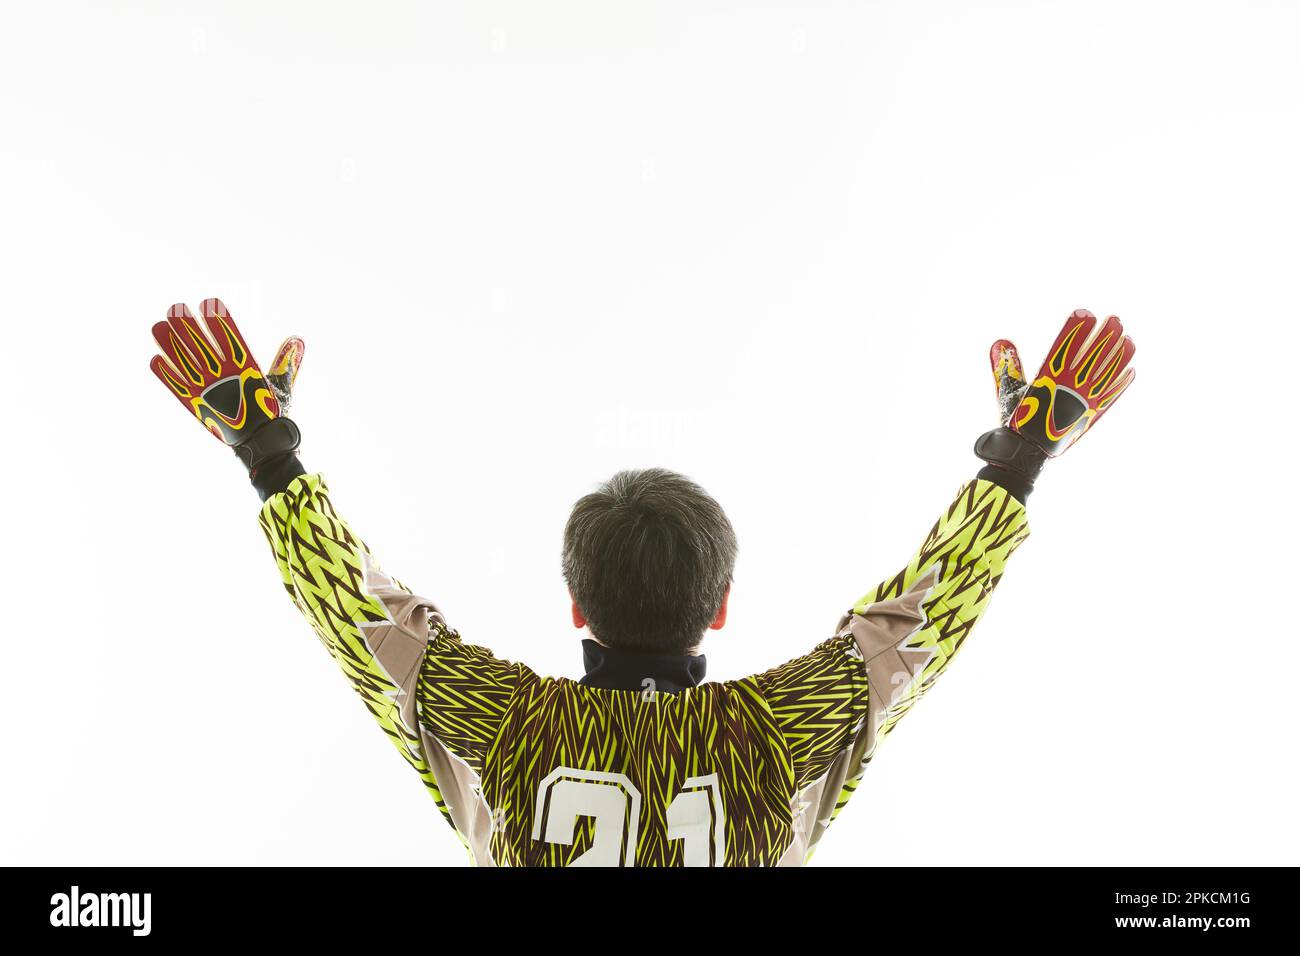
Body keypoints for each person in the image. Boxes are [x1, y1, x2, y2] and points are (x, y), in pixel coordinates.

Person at [148, 300, 1135, 866]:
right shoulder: (786, 726)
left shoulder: (497, 721)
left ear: (577, 606)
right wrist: (1013, 465)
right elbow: (921, 622)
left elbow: (355, 615)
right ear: (718, 607)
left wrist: (270, 456)